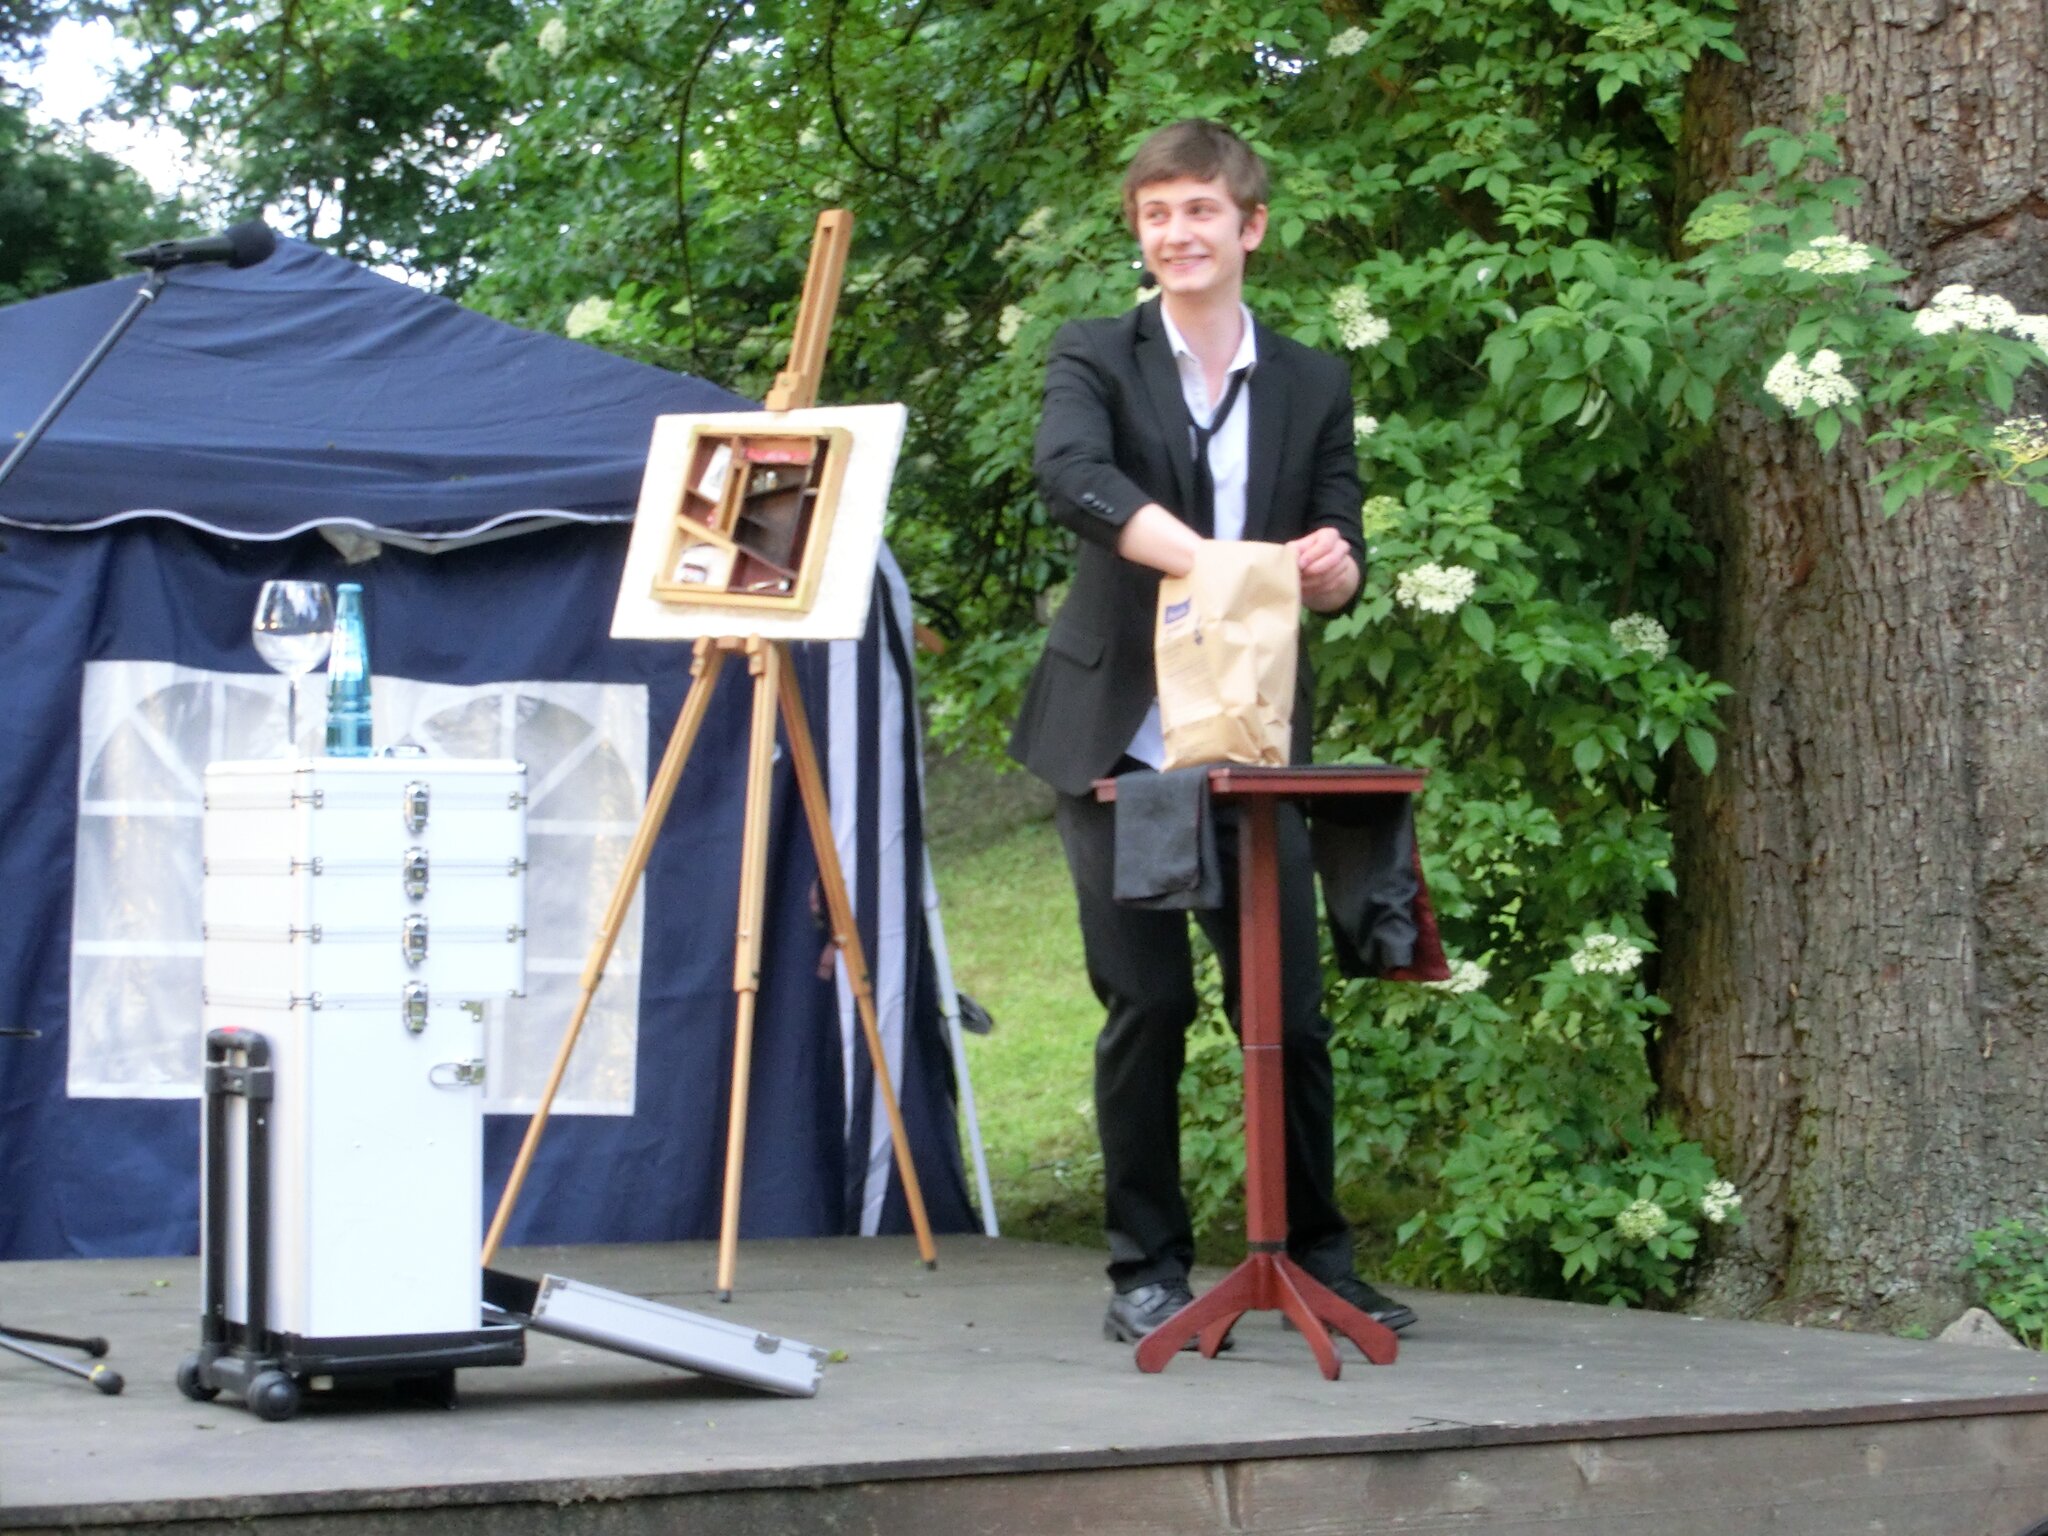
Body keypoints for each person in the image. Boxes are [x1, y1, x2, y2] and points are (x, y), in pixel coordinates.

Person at [1009, 119, 1417, 1346]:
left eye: (1198, 210)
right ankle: (1146, 1268)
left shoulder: (1311, 380)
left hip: (1251, 749)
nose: (1175, 233)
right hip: (1120, 746)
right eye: (1155, 214)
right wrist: (1211, 562)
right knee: (1145, 1007)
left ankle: (1316, 1259)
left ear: (1250, 227)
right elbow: (1069, 476)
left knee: (1283, 1011)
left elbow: (1340, 548)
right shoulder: (1094, 352)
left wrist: (1332, 568)